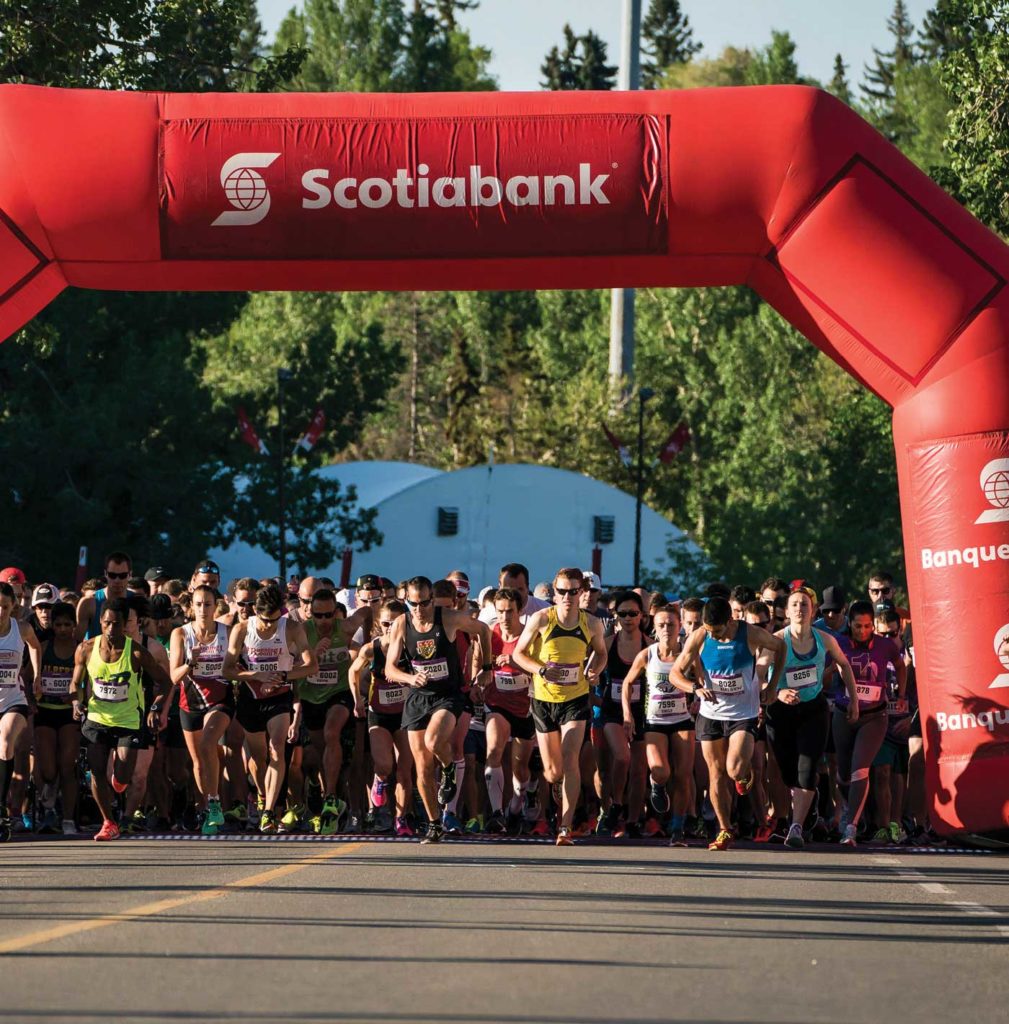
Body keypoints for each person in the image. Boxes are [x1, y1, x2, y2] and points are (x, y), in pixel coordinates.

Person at [671, 595, 785, 851]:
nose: (714, 636)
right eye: (710, 631)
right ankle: (724, 829)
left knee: (734, 770)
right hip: (711, 714)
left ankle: (745, 774)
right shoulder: (700, 636)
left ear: (731, 620)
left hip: (743, 713)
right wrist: (694, 689)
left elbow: (781, 647)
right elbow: (675, 673)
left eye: (719, 631)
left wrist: (774, 685)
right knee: (716, 774)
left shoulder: (750, 634)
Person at [383, 576, 492, 844]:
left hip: (448, 695)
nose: (419, 609)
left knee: (434, 740)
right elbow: (389, 668)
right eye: (413, 603)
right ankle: (434, 824)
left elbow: (484, 632)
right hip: (418, 696)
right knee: (421, 768)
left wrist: (486, 668)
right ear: (405, 600)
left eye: (424, 602)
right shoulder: (401, 624)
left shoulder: (450, 618)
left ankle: (448, 767)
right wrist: (410, 679)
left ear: (432, 599)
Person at [513, 568, 607, 846]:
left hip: (576, 699)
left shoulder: (591, 624)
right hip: (543, 699)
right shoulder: (542, 619)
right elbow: (518, 653)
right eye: (562, 591)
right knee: (553, 771)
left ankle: (565, 826)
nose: (567, 596)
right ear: (554, 594)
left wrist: (594, 671)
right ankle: (555, 787)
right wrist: (540, 671)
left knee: (570, 759)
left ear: (582, 593)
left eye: (573, 591)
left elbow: (600, 653)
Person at [70, 598, 169, 841]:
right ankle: (108, 822)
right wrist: (76, 700)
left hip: (128, 720)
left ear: (125, 624)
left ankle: (118, 784)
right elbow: (76, 682)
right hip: (97, 717)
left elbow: (165, 682)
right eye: (107, 624)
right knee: (95, 770)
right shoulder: (86, 649)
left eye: (117, 624)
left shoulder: (136, 651)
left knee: (122, 777)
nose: (112, 629)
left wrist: (155, 708)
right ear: (100, 623)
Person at [766, 588, 856, 850]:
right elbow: (758, 676)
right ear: (786, 610)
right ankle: (810, 800)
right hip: (780, 712)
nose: (799, 609)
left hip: (813, 710)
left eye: (804, 605)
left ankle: (796, 827)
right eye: (794, 604)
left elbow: (844, 664)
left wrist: (854, 699)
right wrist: (777, 692)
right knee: (787, 771)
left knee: (807, 767)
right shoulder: (775, 641)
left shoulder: (825, 639)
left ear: (813, 610)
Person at [223, 584, 317, 833]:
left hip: (279, 696)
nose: (269, 625)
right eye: (265, 620)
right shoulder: (242, 629)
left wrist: (284, 675)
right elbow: (227, 669)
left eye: (275, 620)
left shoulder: (293, 628)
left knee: (277, 749)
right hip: (250, 697)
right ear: (255, 611)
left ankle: (268, 812)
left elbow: (311, 666)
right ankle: (266, 800)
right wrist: (256, 675)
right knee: (259, 756)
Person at [295, 588, 372, 835]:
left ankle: (329, 797)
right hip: (310, 697)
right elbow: (290, 668)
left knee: (332, 733)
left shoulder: (345, 627)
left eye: (329, 615)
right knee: (320, 753)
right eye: (319, 616)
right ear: (310, 613)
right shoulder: (301, 631)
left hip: (339, 693)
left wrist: (366, 639)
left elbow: (368, 610)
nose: (325, 621)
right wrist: (312, 658)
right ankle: (332, 796)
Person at [833, 599, 905, 847]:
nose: (863, 631)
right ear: (849, 624)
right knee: (843, 774)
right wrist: (826, 677)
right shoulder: (840, 644)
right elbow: (827, 670)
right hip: (844, 714)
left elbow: (900, 664)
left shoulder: (884, 645)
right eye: (857, 626)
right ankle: (855, 810)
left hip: (875, 716)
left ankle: (851, 828)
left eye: (867, 626)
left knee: (860, 769)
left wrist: (901, 694)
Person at [621, 604, 695, 845]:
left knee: (683, 775)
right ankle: (657, 784)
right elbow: (627, 683)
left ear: (680, 626)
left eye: (671, 625)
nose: (666, 629)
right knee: (661, 771)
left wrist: (698, 701)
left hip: (682, 720)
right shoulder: (647, 655)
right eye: (661, 625)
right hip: (654, 721)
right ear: (654, 627)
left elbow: (702, 681)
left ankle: (677, 827)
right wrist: (627, 716)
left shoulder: (688, 653)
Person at [168, 584, 233, 835]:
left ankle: (215, 803)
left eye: (208, 604)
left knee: (208, 745)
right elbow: (174, 676)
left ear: (216, 606)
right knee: (197, 762)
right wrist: (190, 663)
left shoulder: (227, 632)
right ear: (191, 607)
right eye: (198, 604)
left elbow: (240, 664)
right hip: (190, 702)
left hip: (220, 699)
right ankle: (206, 807)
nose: (203, 609)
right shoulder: (181, 634)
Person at [349, 599, 414, 835]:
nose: (390, 628)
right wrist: (357, 699)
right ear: (379, 623)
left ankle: (401, 819)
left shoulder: (413, 647)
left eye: (396, 623)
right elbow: (353, 671)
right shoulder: (372, 648)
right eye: (386, 623)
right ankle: (379, 780)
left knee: (405, 771)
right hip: (379, 714)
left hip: (406, 715)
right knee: (385, 765)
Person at [480, 587, 536, 835]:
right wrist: (478, 678)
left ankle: (516, 807)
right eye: (500, 611)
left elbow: (540, 671)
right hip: (498, 703)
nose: (504, 617)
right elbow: (478, 662)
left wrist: (515, 663)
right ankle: (495, 813)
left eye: (509, 611)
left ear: (520, 610)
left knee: (520, 768)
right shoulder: (491, 635)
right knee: (493, 748)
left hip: (525, 708)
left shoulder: (530, 637)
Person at [597, 591, 649, 836]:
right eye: (623, 614)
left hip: (641, 712)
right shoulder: (608, 645)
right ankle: (616, 803)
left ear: (642, 616)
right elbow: (589, 677)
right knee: (621, 758)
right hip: (612, 711)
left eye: (633, 613)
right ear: (615, 616)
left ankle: (633, 819)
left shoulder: (650, 647)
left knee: (639, 770)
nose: (628, 618)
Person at [33, 601, 80, 835]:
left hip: (69, 714)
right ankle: (50, 798)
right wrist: (32, 701)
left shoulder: (81, 649)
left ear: (74, 625)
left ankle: (68, 818)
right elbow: (28, 675)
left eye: (67, 624)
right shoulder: (43, 646)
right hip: (44, 710)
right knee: (49, 768)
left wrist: (76, 697)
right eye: (58, 624)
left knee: (67, 766)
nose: (62, 629)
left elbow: (88, 680)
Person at [0, 581, 42, 840]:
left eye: (4, 606)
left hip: (13, 700)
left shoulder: (22, 628)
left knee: (5, 743)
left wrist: (36, 676)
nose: (0, 612)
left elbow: (35, 646)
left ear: (14, 605)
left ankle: (3, 811)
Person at [76, 551, 133, 640]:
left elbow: (149, 639)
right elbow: (77, 641)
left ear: (130, 575)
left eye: (122, 575)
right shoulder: (89, 603)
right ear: (106, 574)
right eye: (112, 575)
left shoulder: (138, 602)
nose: (117, 580)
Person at [478, 563, 549, 625]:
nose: (514, 595)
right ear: (499, 588)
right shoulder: (487, 615)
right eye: (509, 590)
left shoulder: (545, 611)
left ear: (527, 588)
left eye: (519, 589)